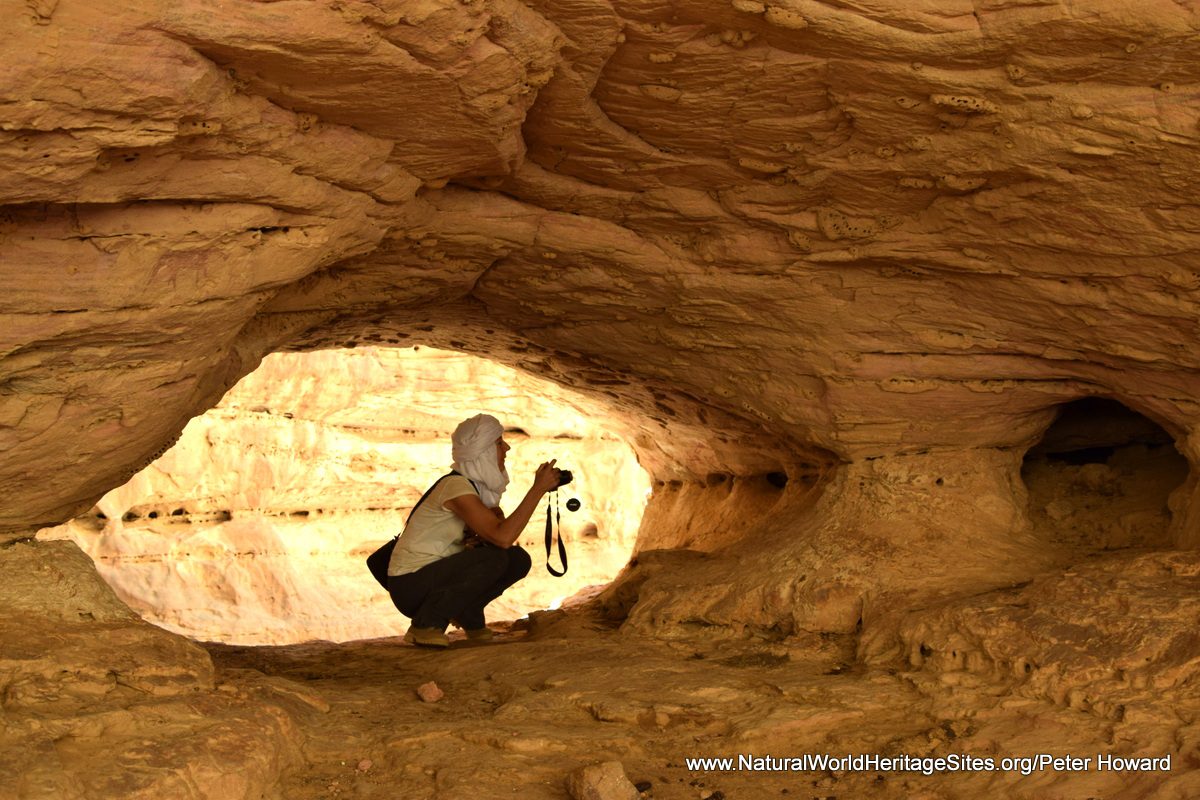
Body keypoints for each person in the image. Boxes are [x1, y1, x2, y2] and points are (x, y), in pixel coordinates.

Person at [386, 413, 562, 648]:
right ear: (483, 452)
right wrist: (538, 489)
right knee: (495, 557)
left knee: (516, 559)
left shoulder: (475, 489)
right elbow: (502, 537)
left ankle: (468, 613)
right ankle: (426, 624)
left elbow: (497, 533)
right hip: (409, 585)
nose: (507, 448)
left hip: (430, 577)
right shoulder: (456, 487)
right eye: (499, 443)